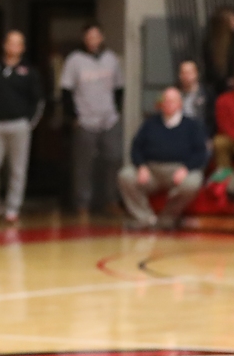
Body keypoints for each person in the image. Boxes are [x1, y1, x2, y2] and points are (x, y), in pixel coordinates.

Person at [117, 87, 207, 230]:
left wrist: (186, 169)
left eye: (172, 101)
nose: (168, 104)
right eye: (165, 101)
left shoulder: (192, 125)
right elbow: (136, 148)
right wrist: (141, 166)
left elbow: (201, 153)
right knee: (126, 176)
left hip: (179, 170)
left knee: (192, 183)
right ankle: (146, 218)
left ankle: (167, 219)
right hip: (152, 171)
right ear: (161, 104)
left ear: (179, 104)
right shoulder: (150, 123)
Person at [0, 29, 43, 222]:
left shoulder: (29, 72)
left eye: (18, 43)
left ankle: (12, 208)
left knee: (17, 169)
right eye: (10, 42)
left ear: (22, 48)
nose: (13, 46)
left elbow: (37, 100)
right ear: (4, 45)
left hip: (19, 125)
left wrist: (28, 122)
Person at [60, 23, 123, 218]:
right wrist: (74, 117)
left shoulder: (111, 59)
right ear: (84, 38)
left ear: (101, 37)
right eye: (89, 36)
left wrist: (116, 110)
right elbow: (65, 91)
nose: (93, 39)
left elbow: (120, 89)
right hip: (85, 120)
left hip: (109, 119)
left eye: (96, 36)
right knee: (83, 164)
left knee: (113, 158)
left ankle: (111, 200)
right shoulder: (74, 60)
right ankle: (82, 203)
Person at [177, 59, 209, 125]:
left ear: (196, 73)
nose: (186, 76)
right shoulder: (174, 93)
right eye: (183, 73)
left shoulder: (207, 93)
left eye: (189, 73)